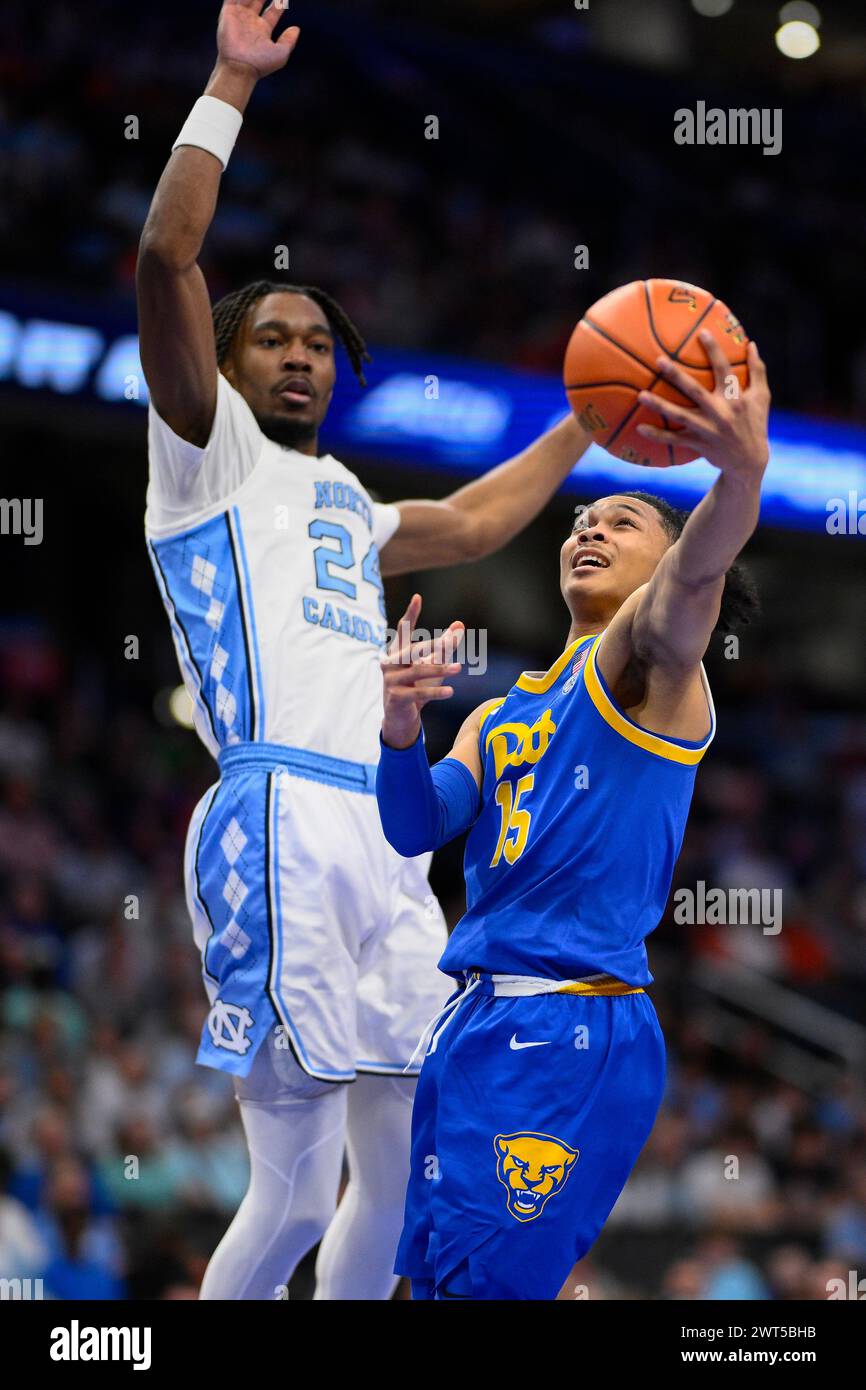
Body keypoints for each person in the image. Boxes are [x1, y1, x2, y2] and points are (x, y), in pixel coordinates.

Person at [136, 0, 594, 1300]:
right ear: (224, 364)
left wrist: (588, 419)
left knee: (395, 1171)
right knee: (293, 1184)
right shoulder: (203, 453)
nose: (299, 354)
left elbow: (470, 520)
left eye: (317, 341)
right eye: (271, 336)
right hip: (276, 810)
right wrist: (229, 78)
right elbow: (165, 255)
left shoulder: (342, 496)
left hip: (388, 840)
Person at [376, 333, 770, 1299]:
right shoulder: (498, 711)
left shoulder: (646, 667)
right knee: (433, 1288)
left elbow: (694, 579)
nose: (590, 527)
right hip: (470, 1025)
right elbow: (418, 826)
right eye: (583, 517)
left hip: (569, 1027)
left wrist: (743, 472)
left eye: (624, 518)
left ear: (667, 559)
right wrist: (394, 732)